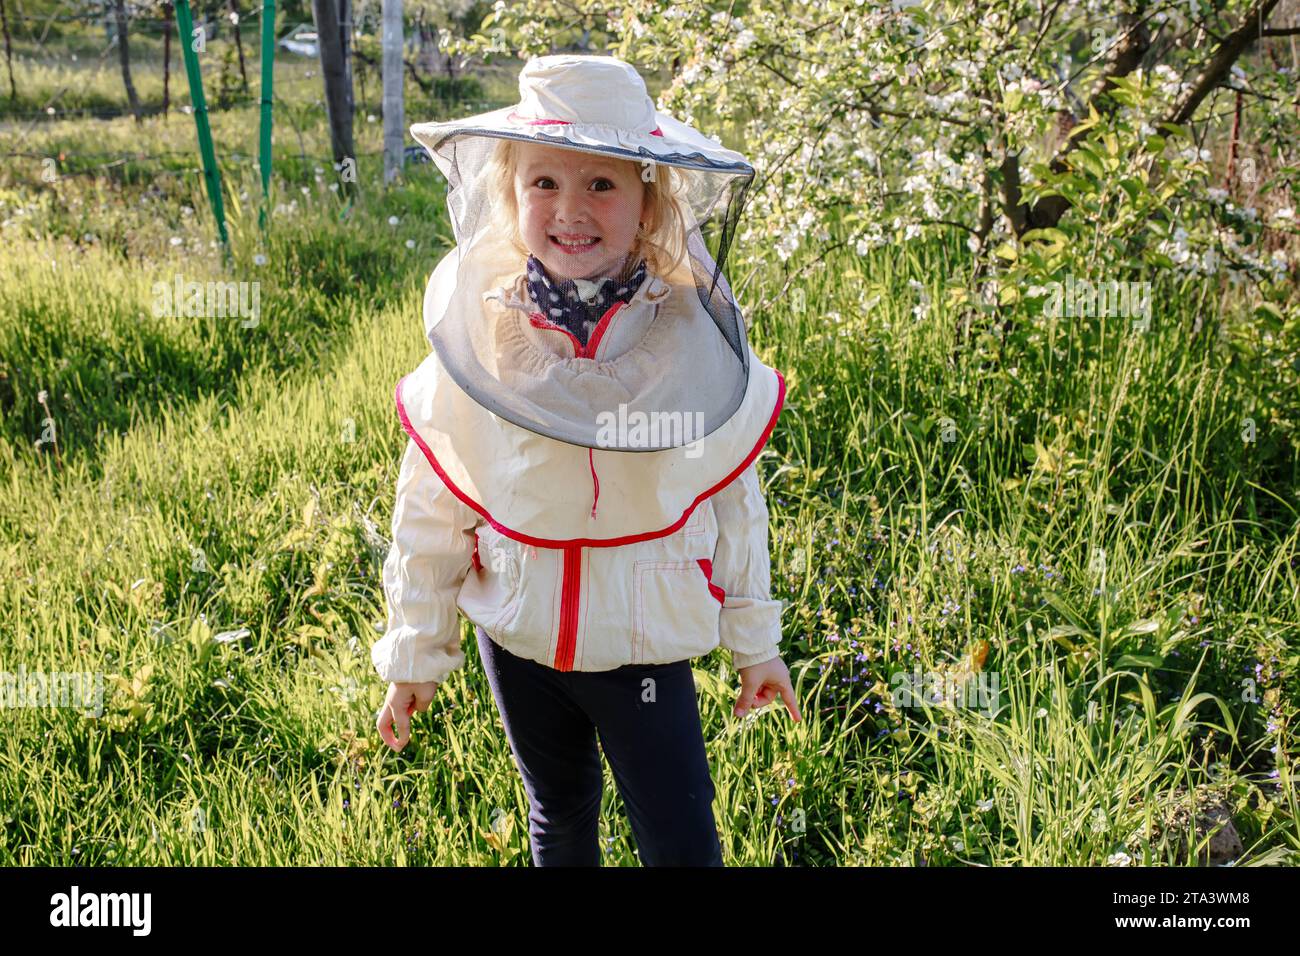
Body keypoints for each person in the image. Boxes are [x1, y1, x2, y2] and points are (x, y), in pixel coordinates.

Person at [372, 53, 801, 867]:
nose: (570, 209)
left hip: (642, 641)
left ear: (648, 198)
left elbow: (732, 496)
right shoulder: (482, 329)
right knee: (557, 816)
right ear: (509, 193)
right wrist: (415, 654)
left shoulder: (684, 333)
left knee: (678, 835)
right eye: (543, 183)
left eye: (601, 184)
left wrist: (756, 641)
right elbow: (434, 497)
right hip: (520, 635)